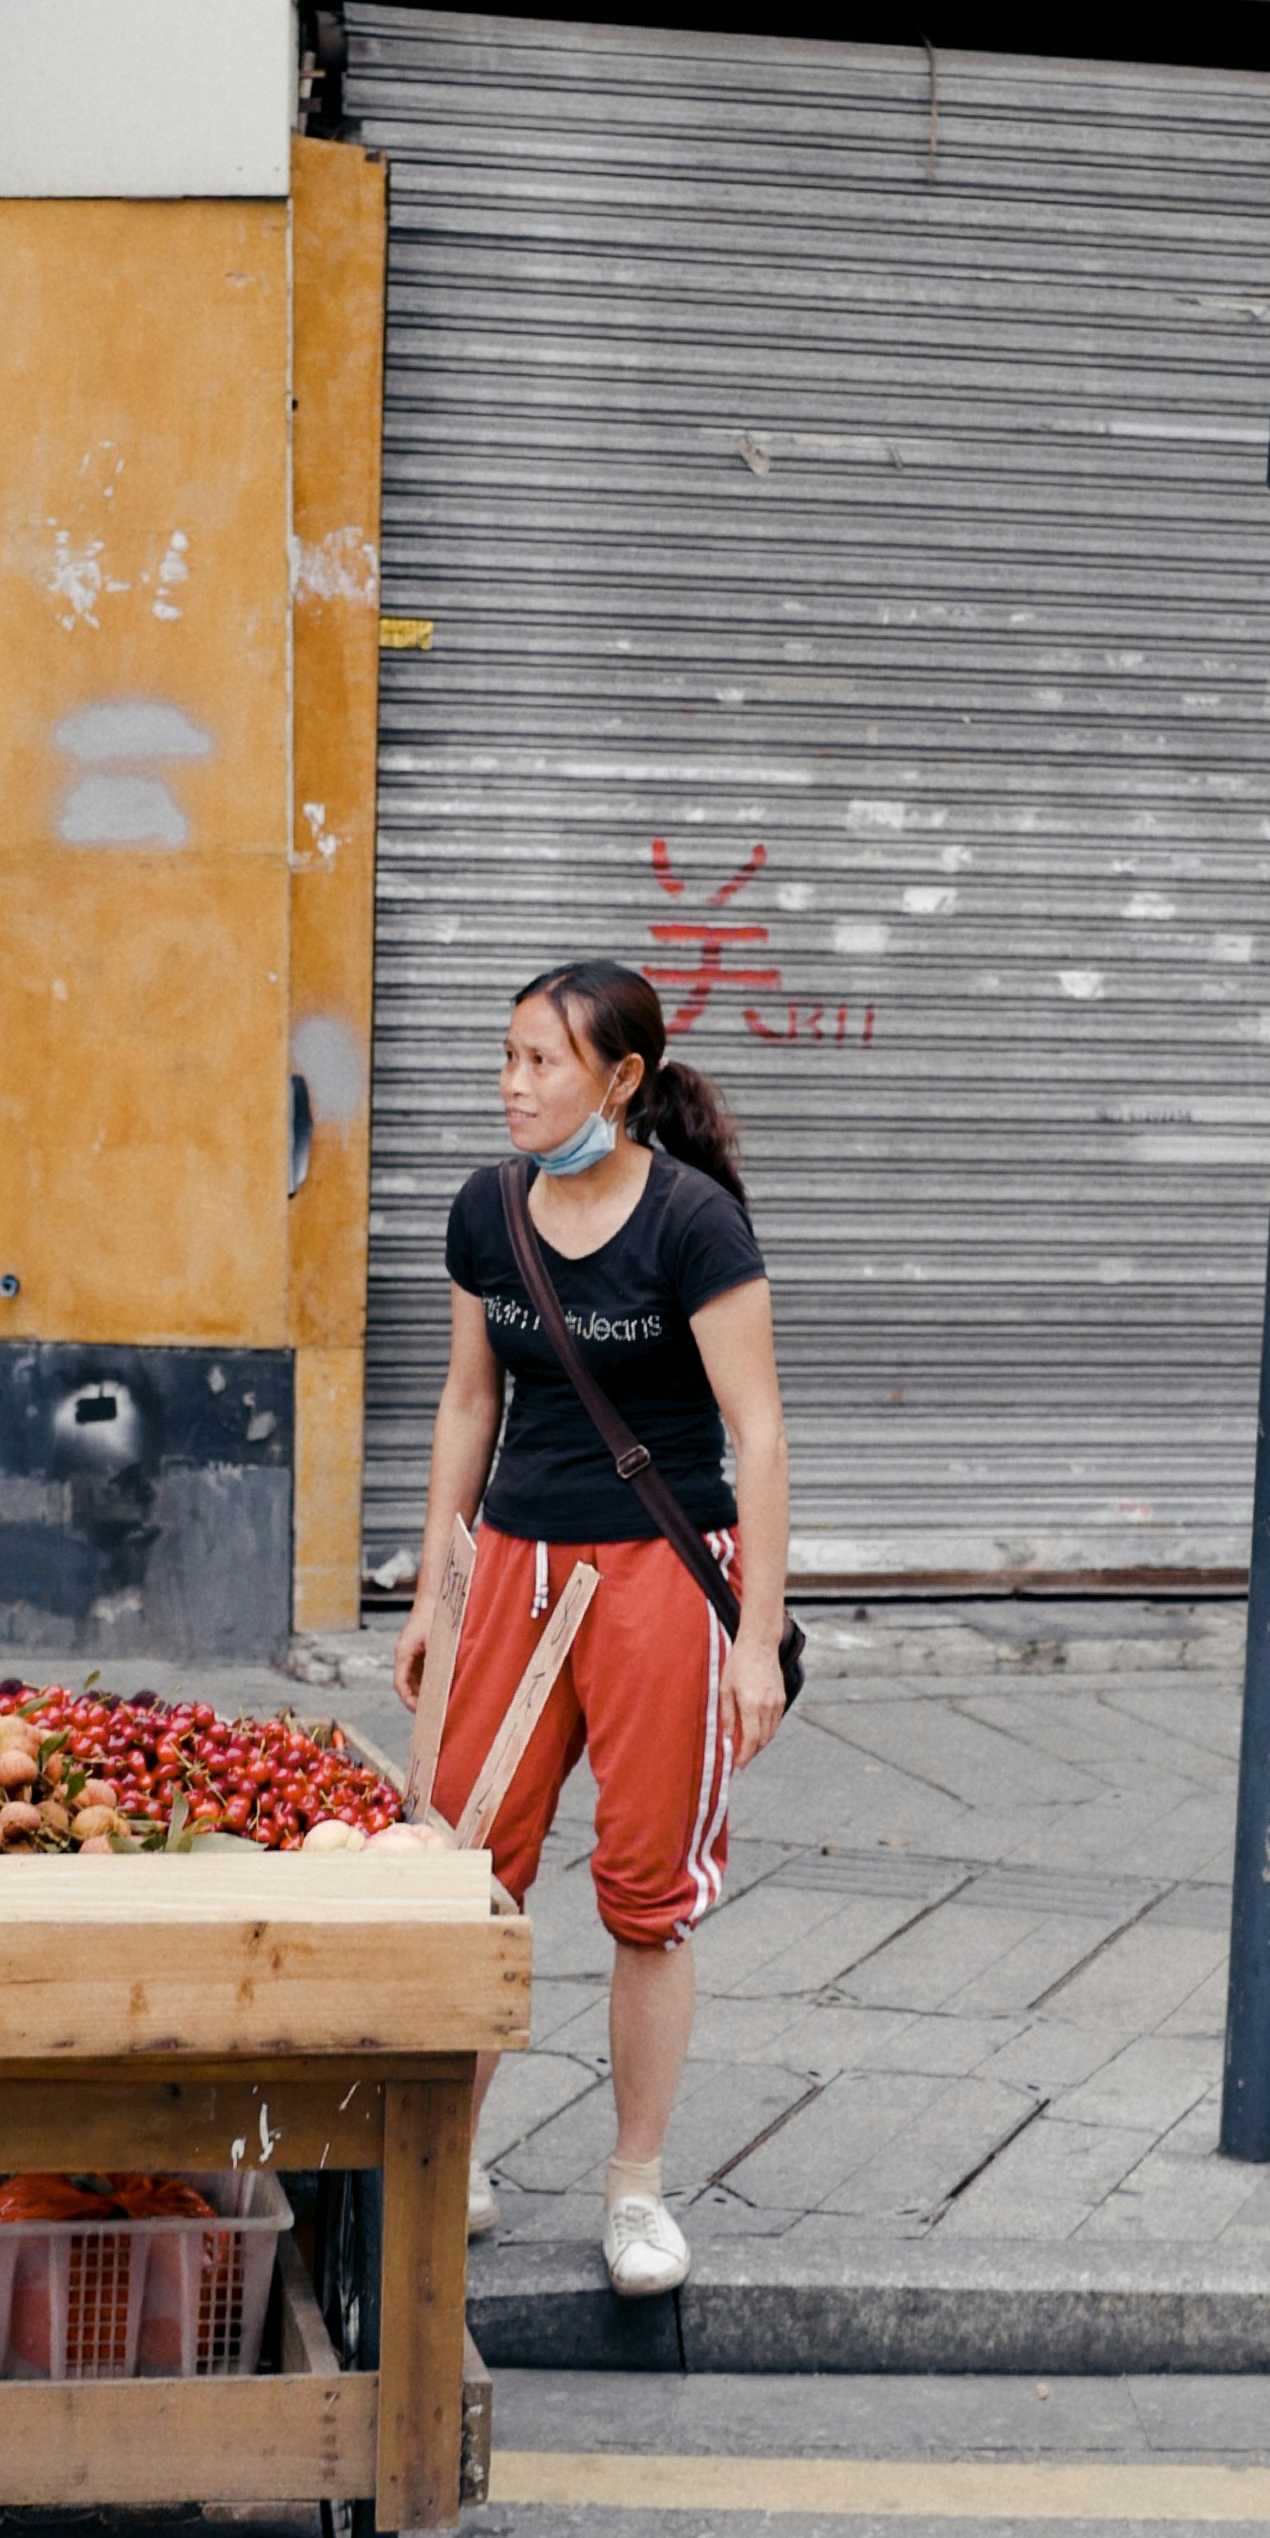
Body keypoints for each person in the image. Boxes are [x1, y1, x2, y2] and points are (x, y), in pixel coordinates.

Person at [393, 958, 791, 2297]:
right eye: (503, 1057)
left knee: (644, 1897)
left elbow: (761, 1432)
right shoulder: (483, 1210)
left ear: (618, 1080)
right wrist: (431, 1590)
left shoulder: (692, 1225)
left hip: (660, 1579)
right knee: (464, 1872)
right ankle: (446, 2156)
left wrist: (755, 1638)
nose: (511, 1085)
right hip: (511, 1560)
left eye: (540, 1062)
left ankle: (633, 2185)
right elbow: (463, 1403)